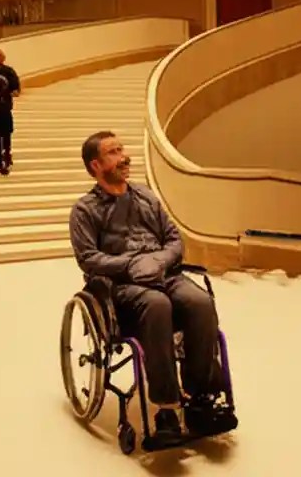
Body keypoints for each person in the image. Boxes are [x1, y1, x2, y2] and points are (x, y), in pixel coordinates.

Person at [68, 130, 238, 446]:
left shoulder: (146, 196)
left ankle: (200, 396)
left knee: (199, 302)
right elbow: (88, 258)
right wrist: (130, 265)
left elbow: (175, 239)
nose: (123, 156)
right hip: (124, 288)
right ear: (95, 165)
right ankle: (167, 408)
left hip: (165, 276)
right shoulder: (85, 210)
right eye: (113, 152)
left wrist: (159, 260)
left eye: (122, 149)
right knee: (157, 305)